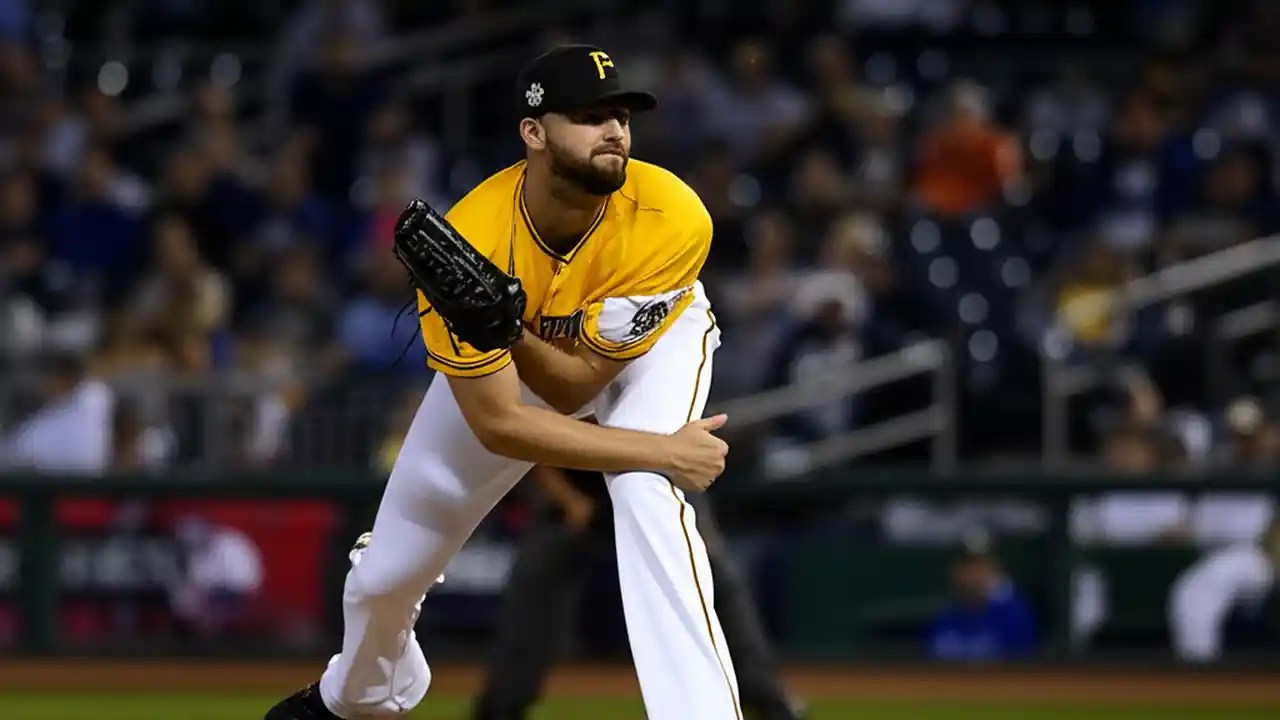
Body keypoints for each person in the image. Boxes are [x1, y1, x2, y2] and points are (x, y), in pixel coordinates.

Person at [266, 44, 740, 720]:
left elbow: (579, 390)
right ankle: (355, 699)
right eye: (589, 115)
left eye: (622, 116)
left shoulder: (673, 214)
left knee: (645, 496)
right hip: (525, 363)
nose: (615, 131)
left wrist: (650, 454)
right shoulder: (473, 239)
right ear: (534, 131)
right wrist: (662, 446)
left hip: (652, 347)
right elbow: (502, 424)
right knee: (381, 580)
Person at [473, 466, 805, 720]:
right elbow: (533, 438)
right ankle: (500, 707)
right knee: (533, 589)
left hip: (653, 478)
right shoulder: (559, 383)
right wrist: (569, 500)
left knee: (716, 585)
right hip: (575, 481)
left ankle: (771, 702)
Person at [1169, 514, 1280, 663]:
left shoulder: (1254, 559)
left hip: (1206, 600)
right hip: (1197, 601)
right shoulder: (1254, 564)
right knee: (1199, 669)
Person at [927, 530, 1038, 662]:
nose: (972, 575)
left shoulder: (1014, 616)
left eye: (980, 565)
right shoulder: (944, 618)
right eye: (967, 566)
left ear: (995, 568)